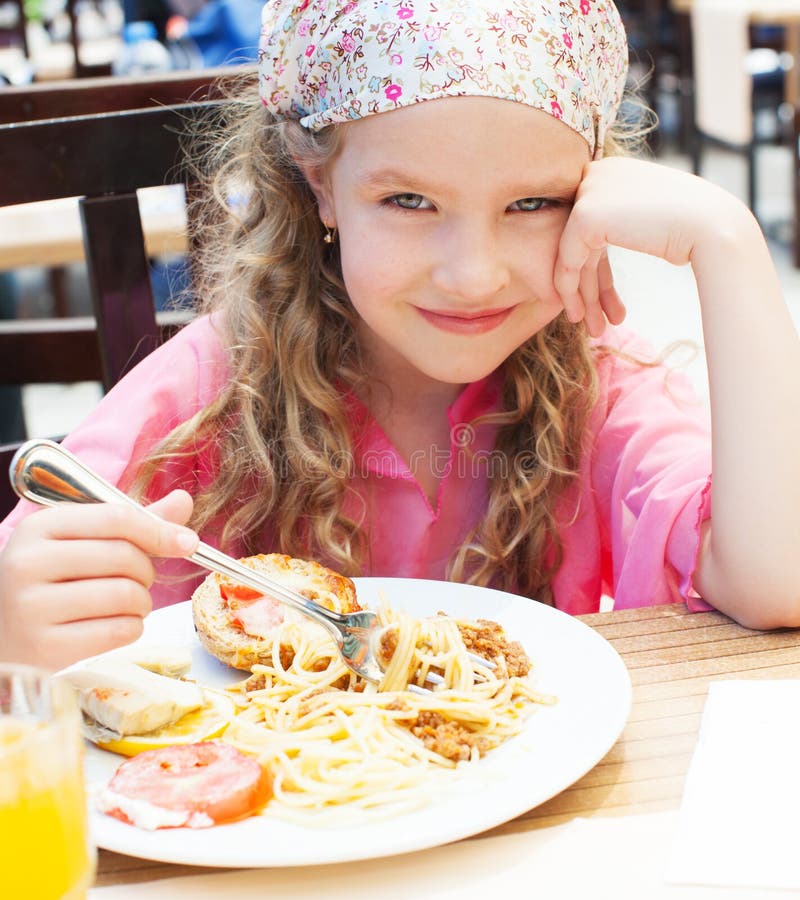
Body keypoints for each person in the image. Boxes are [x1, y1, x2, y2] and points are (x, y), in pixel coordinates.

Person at [1, 0, 798, 670]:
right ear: (320, 187)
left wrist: (725, 242)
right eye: (410, 201)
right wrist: (15, 636)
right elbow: (41, 587)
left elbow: (778, 579)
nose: (474, 275)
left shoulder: (602, 387)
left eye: (533, 204)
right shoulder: (207, 393)